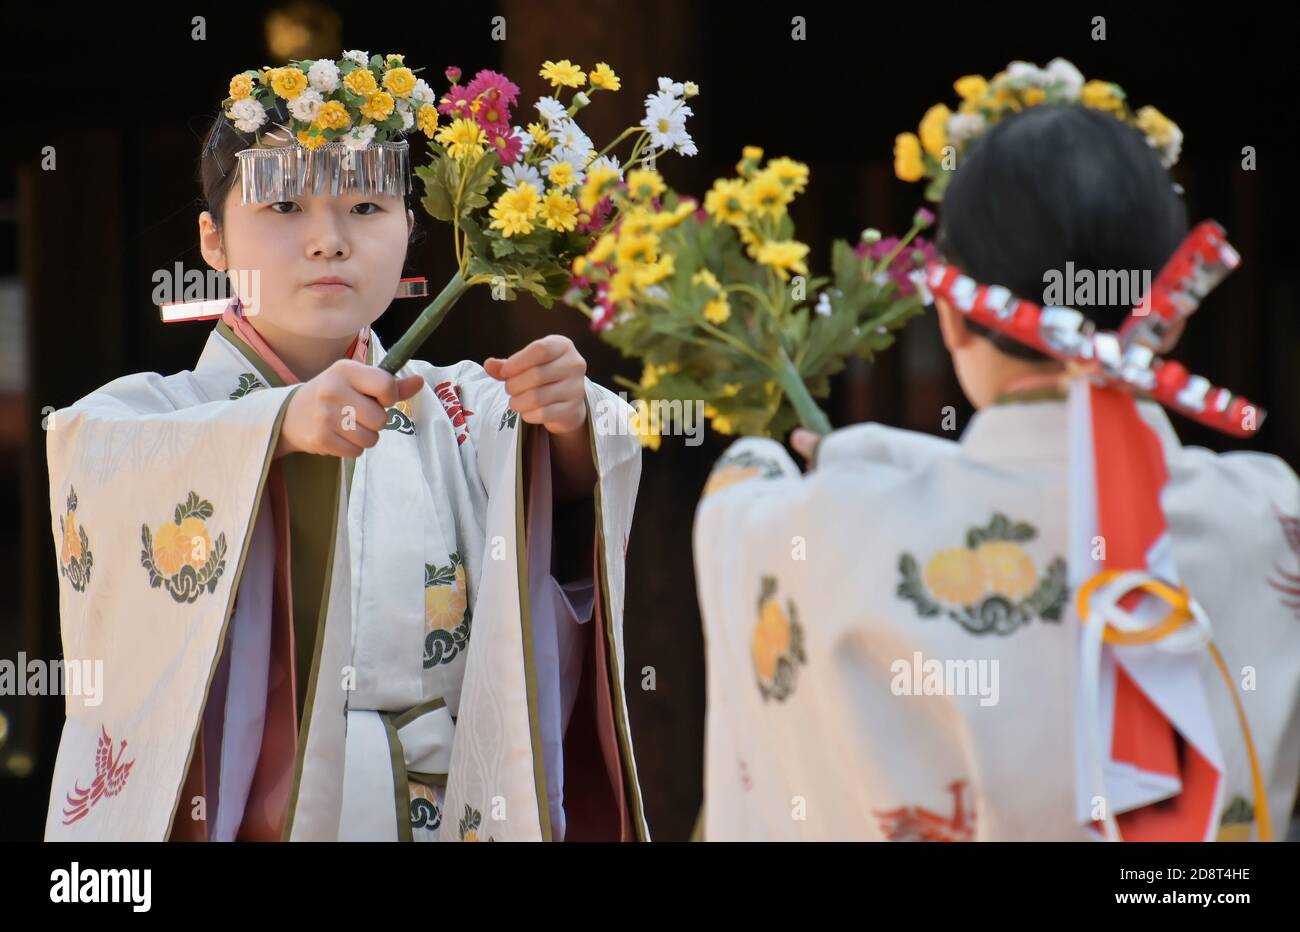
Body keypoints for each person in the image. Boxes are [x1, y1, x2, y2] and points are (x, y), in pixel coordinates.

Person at [45, 51, 648, 841]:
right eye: (285, 205)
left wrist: (564, 422)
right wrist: (277, 428)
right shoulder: (154, 418)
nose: (329, 241)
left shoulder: (457, 407)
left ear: (411, 228)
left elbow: (565, 494)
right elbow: (95, 455)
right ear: (213, 241)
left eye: (366, 206)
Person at [693, 103, 1300, 841]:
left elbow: (742, 513)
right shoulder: (1272, 518)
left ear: (951, 314)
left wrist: (807, 463)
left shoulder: (834, 528)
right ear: (1170, 314)